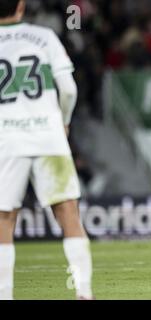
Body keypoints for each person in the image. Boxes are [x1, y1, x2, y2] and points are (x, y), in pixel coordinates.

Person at [0, 1, 93, 299]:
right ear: (21, 6)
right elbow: (68, 89)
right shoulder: (45, 36)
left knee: (4, 218)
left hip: (7, 137)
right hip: (48, 134)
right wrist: (63, 121)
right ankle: (83, 291)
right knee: (68, 213)